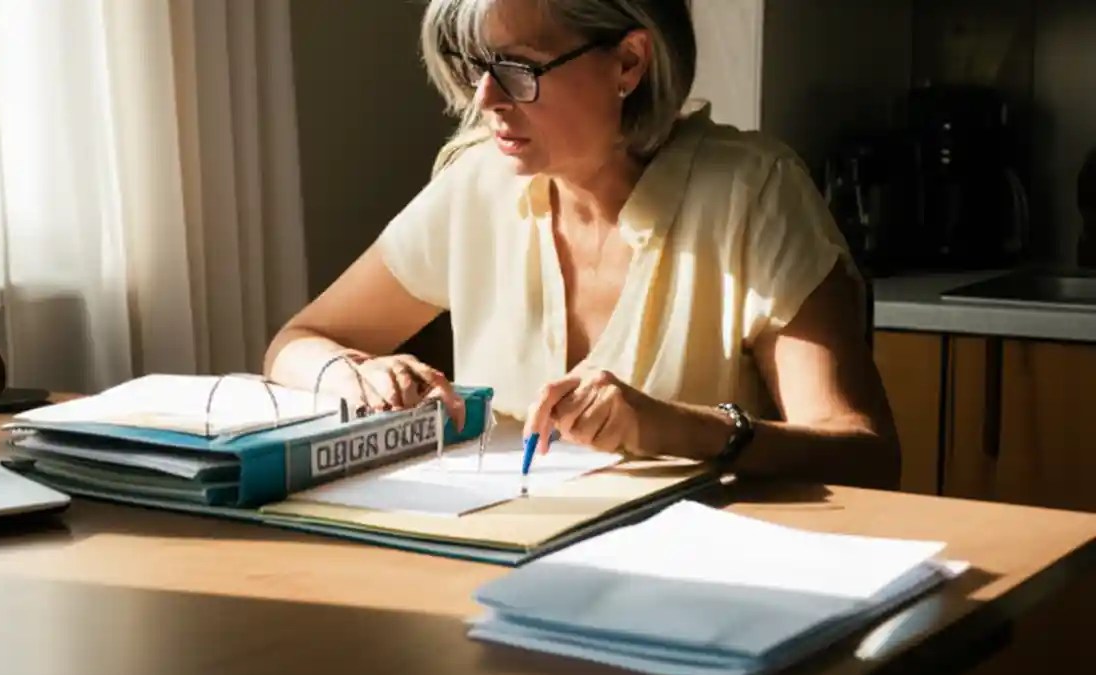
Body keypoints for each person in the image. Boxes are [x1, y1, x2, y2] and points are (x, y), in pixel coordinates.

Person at [264, 0, 901, 489]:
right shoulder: (474, 185)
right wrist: (350, 374)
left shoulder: (753, 193)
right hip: (497, 572)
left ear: (628, 61)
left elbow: (866, 456)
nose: (486, 99)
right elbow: (294, 344)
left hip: (696, 602)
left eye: (517, 68)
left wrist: (672, 426)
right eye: (475, 66)